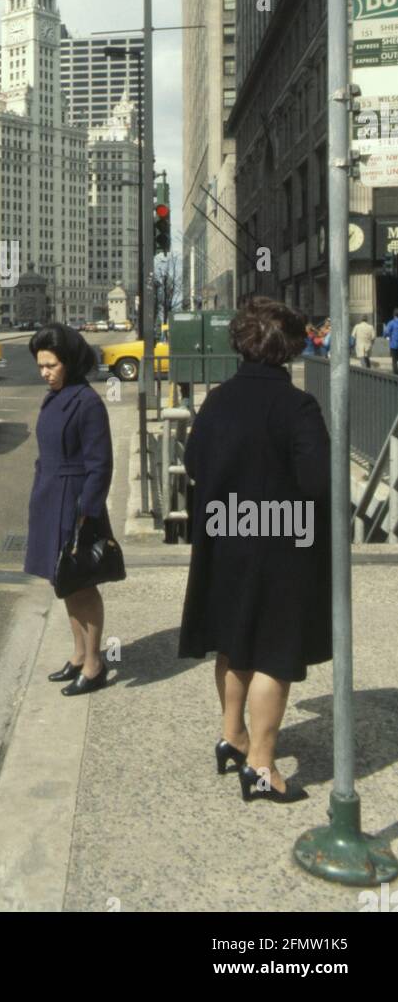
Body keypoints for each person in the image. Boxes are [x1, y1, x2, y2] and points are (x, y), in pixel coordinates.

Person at [178, 296, 331, 803]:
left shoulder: (218, 399)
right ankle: (262, 767)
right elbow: (316, 485)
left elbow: (194, 465)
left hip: (223, 539)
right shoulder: (298, 406)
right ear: (287, 349)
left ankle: (232, 736)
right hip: (279, 544)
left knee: (232, 640)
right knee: (275, 653)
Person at [24, 323, 114, 697]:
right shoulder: (53, 397)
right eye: (41, 365)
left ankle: (94, 664)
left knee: (82, 583)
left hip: (76, 501)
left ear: (70, 362)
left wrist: (86, 513)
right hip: (49, 496)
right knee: (62, 581)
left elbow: (101, 463)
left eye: (51, 365)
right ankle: (78, 655)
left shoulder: (87, 402)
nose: (44, 372)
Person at [385, 308, 398, 375]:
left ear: (394, 315)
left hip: (394, 345)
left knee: (394, 360)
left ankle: (396, 375)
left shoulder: (391, 323)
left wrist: (387, 337)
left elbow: (386, 332)